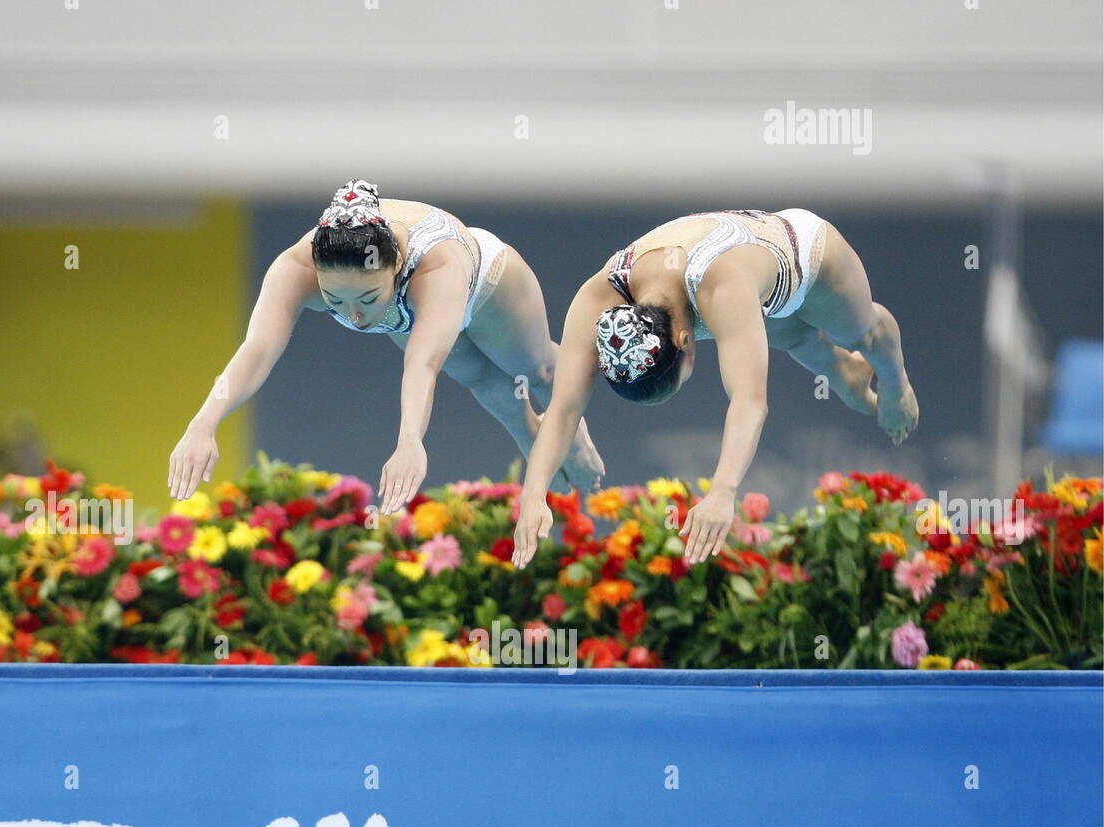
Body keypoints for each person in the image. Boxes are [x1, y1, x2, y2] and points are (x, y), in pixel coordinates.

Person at [512, 207, 918, 567]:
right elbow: (564, 409)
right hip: (753, 292)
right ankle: (844, 375)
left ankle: (895, 381)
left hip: (805, 256)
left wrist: (723, 492)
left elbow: (750, 401)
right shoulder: (599, 299)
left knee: (862, 333)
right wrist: (533, 496)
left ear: (686, 344)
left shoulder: (721, 288)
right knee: (794, 341)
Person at [169, 179, 604, 509]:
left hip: (484, 281)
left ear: (394, 264)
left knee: (535, 370)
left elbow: (423, 364)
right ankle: (531, 434)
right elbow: (257, 349)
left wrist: (410, 440)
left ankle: (573, 431)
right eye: (335, 300)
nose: (355, 315)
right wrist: (203, 423)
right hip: (407, 309)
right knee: (485, 382)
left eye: (366, 298)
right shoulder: (295, 269)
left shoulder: (437, 266)